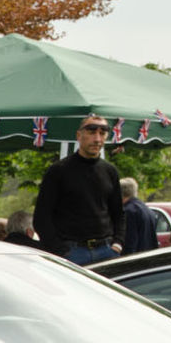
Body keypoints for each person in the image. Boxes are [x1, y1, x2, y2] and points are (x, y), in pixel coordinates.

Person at [33, 114, 123, 266]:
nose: (97, 139)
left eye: (102, 133)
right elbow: (41, 217)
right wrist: (59, 250)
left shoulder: (110, 171)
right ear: (79, 135)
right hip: (72, 252)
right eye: (91, 132)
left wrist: (118, 243)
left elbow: (119, 213)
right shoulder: (58, 171)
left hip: (106, 250)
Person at [121, 177, 159, 255]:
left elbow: (130, 241)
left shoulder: (129, 211)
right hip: (149, 255)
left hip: (136, 258)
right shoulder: (147, 209)